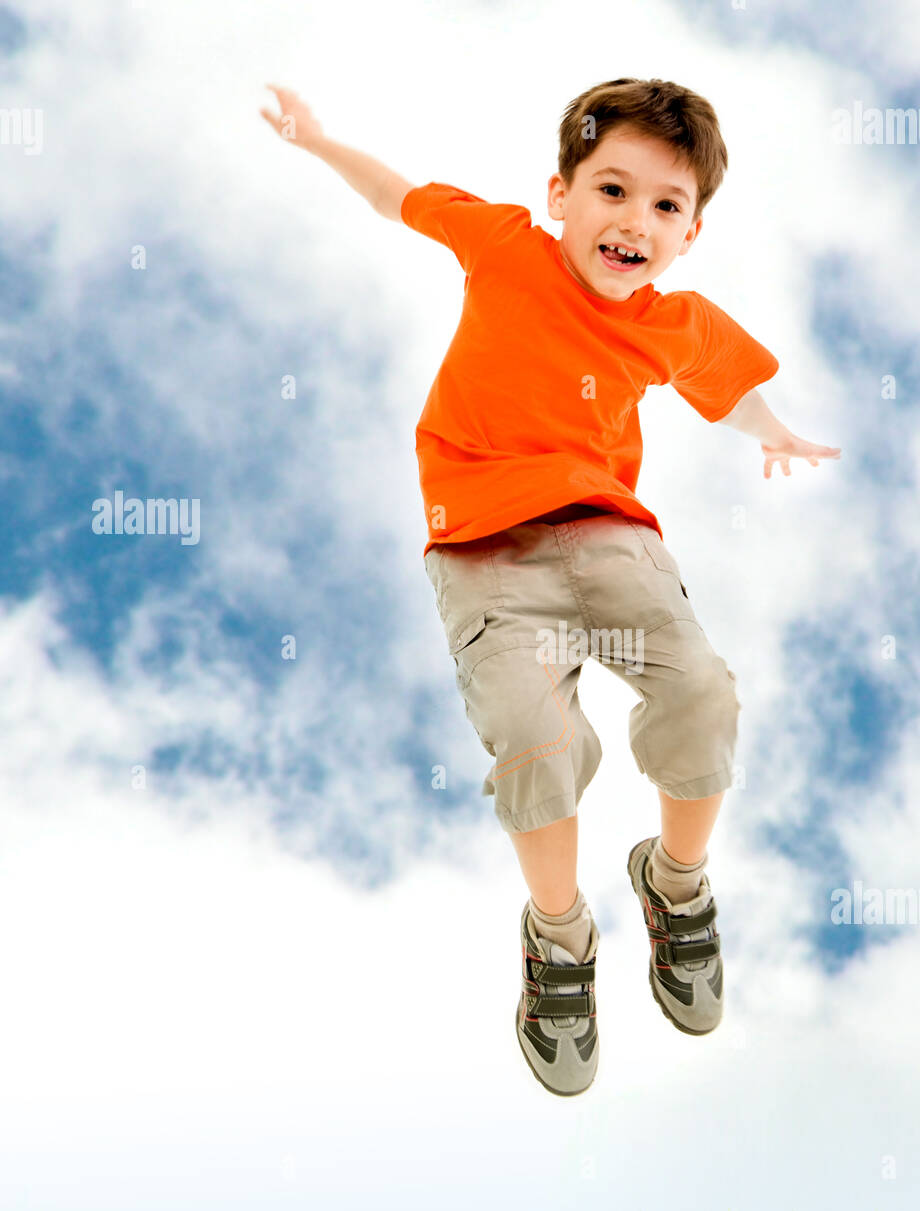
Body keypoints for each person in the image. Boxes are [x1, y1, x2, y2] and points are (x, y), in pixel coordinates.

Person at [261, 76, 840, 1098]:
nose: (633, 222)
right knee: (535, 745)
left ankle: (675, 884)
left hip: (608, 540)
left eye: (664, 207)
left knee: (699, 693)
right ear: (560, 194)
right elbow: (394, 196)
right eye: (611, 190)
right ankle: (561, 941)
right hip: (482, 551)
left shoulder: (676, 322)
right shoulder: (503, 247)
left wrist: (776, 434)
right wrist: (317, 142)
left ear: (689, 234)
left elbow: (728, 391)